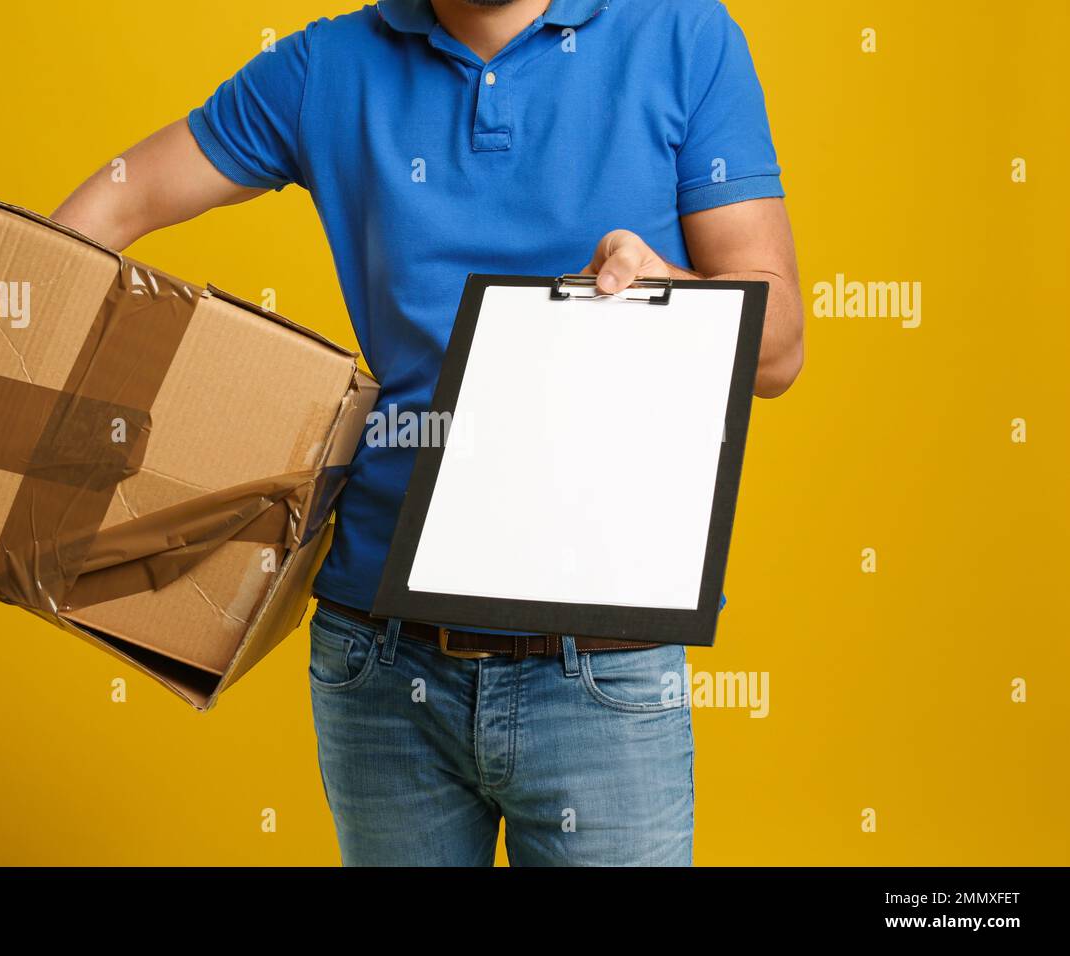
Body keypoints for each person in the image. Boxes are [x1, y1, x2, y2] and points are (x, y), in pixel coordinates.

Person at [52, 0, 803, 866]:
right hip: (378, 655)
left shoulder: (683, 37)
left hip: (603, 660)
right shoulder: (324, 66)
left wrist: (664, 288)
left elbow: (778, 353)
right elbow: (118, 200)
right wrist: (7, 359)